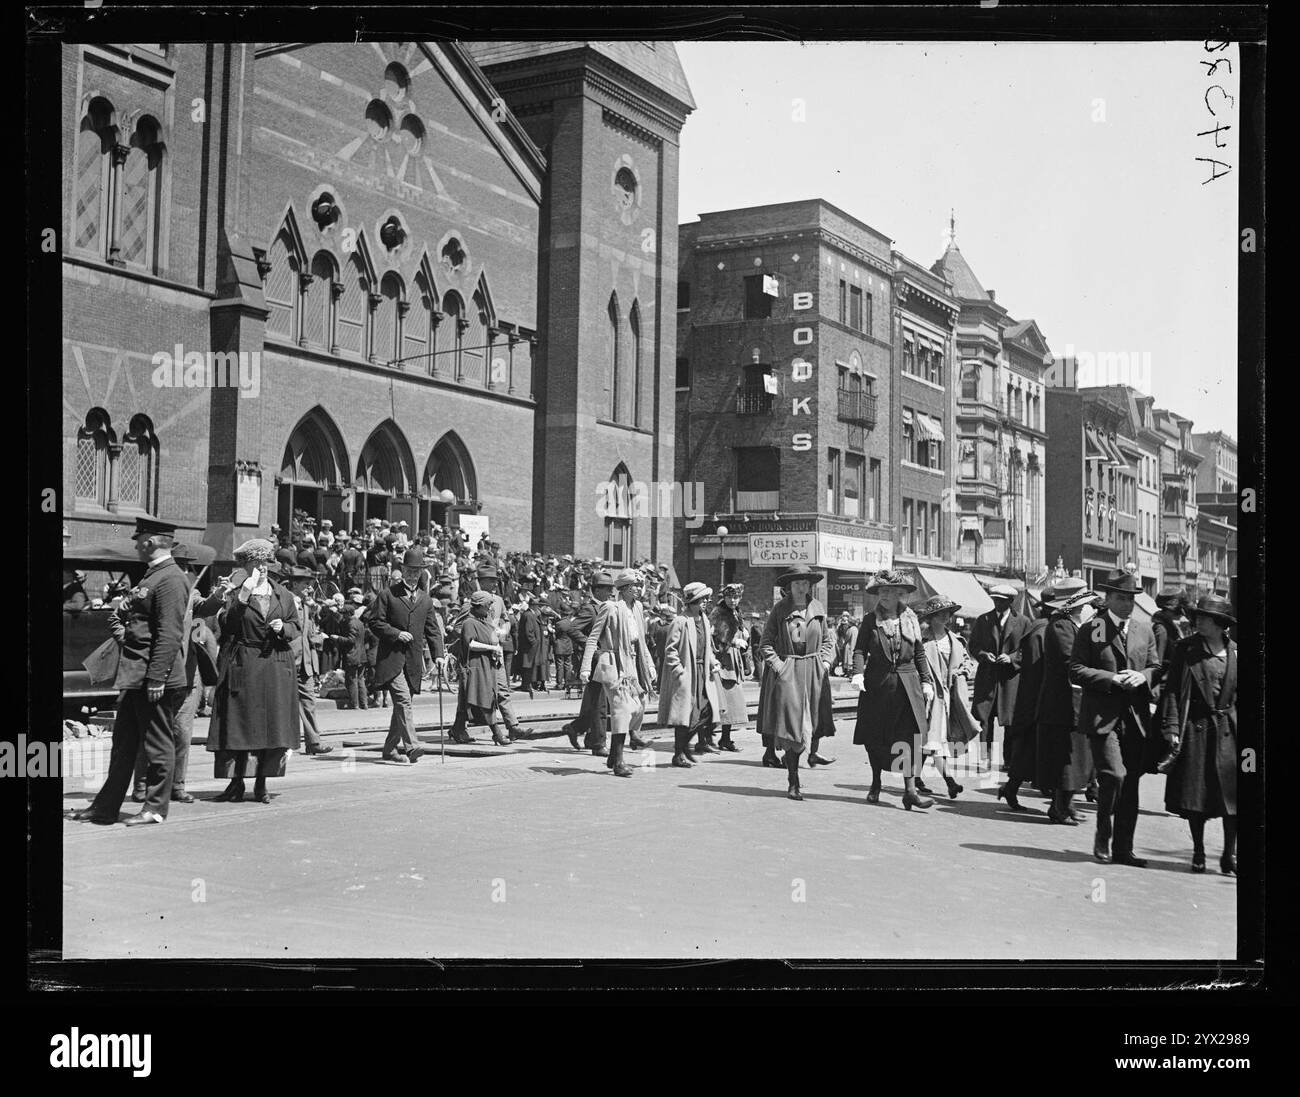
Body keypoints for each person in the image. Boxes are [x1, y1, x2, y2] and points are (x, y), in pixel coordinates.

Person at [72, 517, 190, 826]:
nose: (136, 544)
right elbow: (137, 623)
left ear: (150, 542)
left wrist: (156, 677)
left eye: (139, 540)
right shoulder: (153, 576)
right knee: (123, 744)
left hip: (152, 678)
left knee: (158, 744)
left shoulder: (171, 579)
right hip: (137, 676)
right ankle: (106, 807)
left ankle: (154, 808)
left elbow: (169, 634)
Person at [1070, 569, 1160, 866]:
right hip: (1102, 716)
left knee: (1131, 783)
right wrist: (1111, 679)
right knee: (1114, 775)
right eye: (1120, 598)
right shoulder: (1093, 628)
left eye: (1131, 598)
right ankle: (1102, 836)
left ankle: (1124, 849)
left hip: (1134, 718)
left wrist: (1142, 676)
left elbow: (1156, 667)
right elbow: (1077, 669)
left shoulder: (1144, 629)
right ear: (1107, 599)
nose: (1126, 604)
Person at [204, 539, 302, 804]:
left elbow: (296, 626)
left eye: (265, 562)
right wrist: (243, 596)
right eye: (256, 563)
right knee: (239, 726)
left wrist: (285, 628)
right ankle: (235, 783)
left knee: (271, 728)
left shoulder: (283, 594)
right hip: (244, 665)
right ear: (246, 566)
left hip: (274, 665)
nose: (262, 568)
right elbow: (226, 624)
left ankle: (261, 783)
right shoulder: (236, 594)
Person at [1160, 594, 1237, 875]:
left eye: (1204, 618)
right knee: (1196, 798)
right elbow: (1172, 691)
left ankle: (1230, 854)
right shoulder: (1186, 649)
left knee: (1234, 799)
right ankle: (1199, 852)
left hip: (1229, 733)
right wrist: (1171, 728)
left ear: (1220, 624)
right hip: (1195, 730)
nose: (1198, 621)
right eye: (1198, 617)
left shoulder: (1236, 652)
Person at [999, 580, 1085, 811]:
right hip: (1038, 702)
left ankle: (1054, 799)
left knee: (1040, 753)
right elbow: (1037, 669)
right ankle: (1014, 789)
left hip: (1042, 702)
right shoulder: (1045, 629)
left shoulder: (1050, 626)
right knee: (1030, 752)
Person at [852, 569, 934, 808]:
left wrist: (926, 680)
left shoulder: (911, 620)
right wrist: (858, 673)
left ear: (900, 594)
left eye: (889, 591)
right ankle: (876, 782)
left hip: (907, 688)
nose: (884, 595)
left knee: (909, 737)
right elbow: (859, 650)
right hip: (877, 687)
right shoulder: (870, 620)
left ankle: (909, 791)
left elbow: (919, 653)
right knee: (876, 736)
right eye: (881, 591)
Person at [757, 564, 836, 801]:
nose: (801, 588)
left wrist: (825, 663)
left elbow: (828, 641)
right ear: (789, 586)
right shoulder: (780, 610)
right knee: (791, 727)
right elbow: (766, 643)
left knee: (812, 722)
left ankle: (808, 757)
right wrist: (780, 667)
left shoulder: (818, 608)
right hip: (789, 672)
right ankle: (793, 781)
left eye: (805, 583)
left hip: (814, 671)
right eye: (796, 583)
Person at [369, 547, 446, 763]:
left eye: (416, 571)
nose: (412, 575)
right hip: (391, 660)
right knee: (403, 701)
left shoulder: (426, 599)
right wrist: (395, 633)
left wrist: (438, 654)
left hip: (412, 662)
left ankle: (389, 749)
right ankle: (412, 746)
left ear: (422, 572)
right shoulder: (388, 594)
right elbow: (374, 622)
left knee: (401, 708)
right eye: (409, 570)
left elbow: (433, 631)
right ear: (402, 569)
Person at [579, 569, 657, 777]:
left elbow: (641, 639)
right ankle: (619, 761)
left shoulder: (638, 608)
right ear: (623, 589)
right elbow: (593, 637)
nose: (639, 590)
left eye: (641, 586)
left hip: (633, 662)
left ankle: (614, 754)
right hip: (613, 663)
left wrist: (649, 664)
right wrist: (586, 667)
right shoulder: (611, 608)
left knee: (639, 704)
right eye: (635, 587)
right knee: (622, 709)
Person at [1035, 588, 1100, 825]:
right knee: (1066, 757)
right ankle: (1059, 808)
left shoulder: (1073, 626)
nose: (1088, 610)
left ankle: (1066, 804)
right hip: (1062, 704)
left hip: (1073, 704)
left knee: (1075, 757)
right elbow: (1070, 659)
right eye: (1085, 607)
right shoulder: (1061, 626)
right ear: (1074, 608)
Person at [915, 594, 980, 800]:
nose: (945, 617)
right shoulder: (921, 640)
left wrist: (963, 672)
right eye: (940, 614)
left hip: (951, 698)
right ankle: (950, 782)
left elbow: (968, 662)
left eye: (948, 614)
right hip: (929, 697)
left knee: (932, 739)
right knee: (935, 740)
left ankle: (915, 778)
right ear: (931, 617)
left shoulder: (957, 641)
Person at [660, 582, 724, 768]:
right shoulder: (680, 621)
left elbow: (708, 648)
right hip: (688, 673)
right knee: (686, 715)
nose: (705, 602)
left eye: (706, 599)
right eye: (702, 599)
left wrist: (713, 662)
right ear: (692, 601)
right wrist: (679, 671)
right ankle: (679, 753)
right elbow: (670, 651)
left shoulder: (704, 620)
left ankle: (683, 747)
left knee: (706, 711)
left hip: (703, 672)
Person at [970, 584, 1029, 772]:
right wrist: (983, 654)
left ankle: (1009, 760)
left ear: (1011, 602)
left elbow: (1027, 650)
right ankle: (984, 758)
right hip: (987, 677)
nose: (997, 604)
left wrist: (1011, 658)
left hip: (1010, 679)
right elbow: (974, 645)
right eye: (995, 600)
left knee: (1010, 721)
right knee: (984, 719)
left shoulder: (1023, 622)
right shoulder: (983, 620)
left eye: (1001, 601)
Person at [561, 573, 617, 755]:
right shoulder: (589, 609)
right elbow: (571, 628)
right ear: (597, 589)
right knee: (600, 702)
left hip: (606, 660)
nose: (610, 592)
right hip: (594, 662)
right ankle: (598, 743)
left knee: (598, 701)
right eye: (607, 588)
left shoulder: (605, 607)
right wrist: (592, 647)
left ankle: (577, 729)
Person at [283, 566, 334, 756]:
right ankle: (282, 743)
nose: (310, 588)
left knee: (309, 703)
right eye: (306, 584)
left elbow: (309, 633)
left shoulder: (306, 605)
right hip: (288, 661)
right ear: (295, 584)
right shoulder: (284, 602)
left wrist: (319, 638)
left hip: (306, 663)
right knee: (284, 705)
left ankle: (314, 743)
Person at [454, 591, 515, 746]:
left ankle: (457, 730)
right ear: (479, 606)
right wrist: (491, 648)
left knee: (469, 701)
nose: (490, 609)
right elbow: (471, 644)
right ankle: (497, 733)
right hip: (475, 666)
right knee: (483, 698)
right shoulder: (469, 623)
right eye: (488, 606)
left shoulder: (485, 621)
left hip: (487, 664)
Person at [709, 583, 750, 751]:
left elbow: (737, 627)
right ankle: (707, 738)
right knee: (721, 701)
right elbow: (716, 634)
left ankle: (725, 738)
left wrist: (743, 631)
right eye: (730, 597)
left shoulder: (736, 612)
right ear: (724, 597)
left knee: (731, 703)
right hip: (722, 659)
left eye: (736, 597)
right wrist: (734, 641)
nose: (733, 600)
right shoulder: (718, 613)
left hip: (733, 660)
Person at [517, 594, 543, 698]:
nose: (538, 607)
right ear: (533, 606)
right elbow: (529, 632)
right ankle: (526, 685)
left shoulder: (530, 614)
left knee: (529, 666)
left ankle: (526, 684)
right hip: (529, 647)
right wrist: (534, 642)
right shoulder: (529, 615)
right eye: (537, 605)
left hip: (530, 646)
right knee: (527, 666)